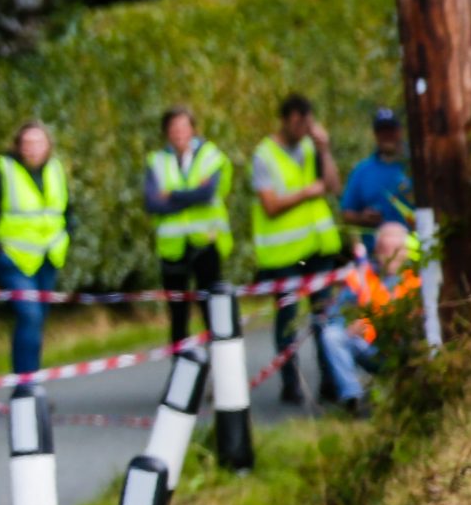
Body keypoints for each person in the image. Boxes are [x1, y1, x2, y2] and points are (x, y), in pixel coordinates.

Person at [248, 93, 343, 405]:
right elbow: (270, 204)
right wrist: (305, 193)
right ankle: (291, 384)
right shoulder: (265, 155)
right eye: (299, 122)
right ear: (286, 120)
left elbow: (332, 185)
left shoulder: (310, 148)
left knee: (324, 316)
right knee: (287, 320)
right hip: (285, 255)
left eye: (309, 122)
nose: (304, 128)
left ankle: (331, 380)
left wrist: (325, 149)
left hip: (317, 249)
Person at [0, 120, 74, 376]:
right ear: (17, 146)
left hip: (48, 260)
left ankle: (31, 379)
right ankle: (25, 385)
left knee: (38, 321)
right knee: (29, 315)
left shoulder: (56, 170)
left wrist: (66, 235)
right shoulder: (3, 170)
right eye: (27, 143)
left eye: (38, 143)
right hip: (13, 260)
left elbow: (66, 212)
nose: (32, 149)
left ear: (48, 146)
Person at [141, 105, 231, 344]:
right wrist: (190, 195)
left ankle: (220, 366)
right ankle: (183, 372)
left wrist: (170, 195)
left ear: (193, 129)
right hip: (173, 248)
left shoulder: (210, 155)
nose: (179, 133)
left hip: (205, 243)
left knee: (212, 309)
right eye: (173, 128)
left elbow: (207, 193)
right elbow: (151, 203)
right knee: (178, 314)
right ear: (166, 132)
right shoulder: (157, 161)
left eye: (183, 127)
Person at [316, 221, 420, 419]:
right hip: (371, 350)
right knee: (332, 335)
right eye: (383, 249)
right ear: (376, 250)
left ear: (406, 251)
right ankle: (353, 399)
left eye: (395, 250)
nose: (389, 256)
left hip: (406, 350)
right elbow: (335, 316)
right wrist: (349, 326)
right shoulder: (362, 277)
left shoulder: (417, 278)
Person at [337, 106, 413, 261]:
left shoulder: (415, 165)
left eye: (391, 130)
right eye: (382, 131)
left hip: (414, 253)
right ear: (376, 135)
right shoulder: (363, 171)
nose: (387, 136)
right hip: (377, 257)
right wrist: (362, 217)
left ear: (399, 131)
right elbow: (346, 213)